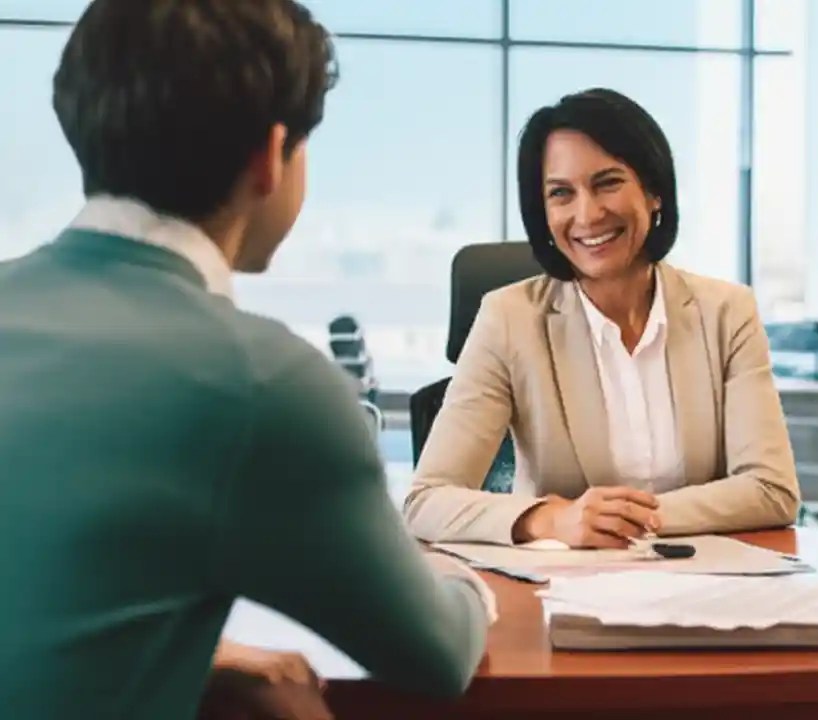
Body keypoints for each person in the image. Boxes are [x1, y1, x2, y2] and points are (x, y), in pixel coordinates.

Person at [0, 2, 495, 718]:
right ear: (271, 155)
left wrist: (197, 651)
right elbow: (438, 653)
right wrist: (472, 586)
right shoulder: (262, 381)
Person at [404, 88, 800, 548]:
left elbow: (772, 490)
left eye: (608, 182)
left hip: (704, 586)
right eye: (561, 194)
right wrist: (554, 519)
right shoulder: (509, 320)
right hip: (565, 595)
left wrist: (627, 519)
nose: (587, 215)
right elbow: (427, 501)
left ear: (654, 192)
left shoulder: (727, 313)